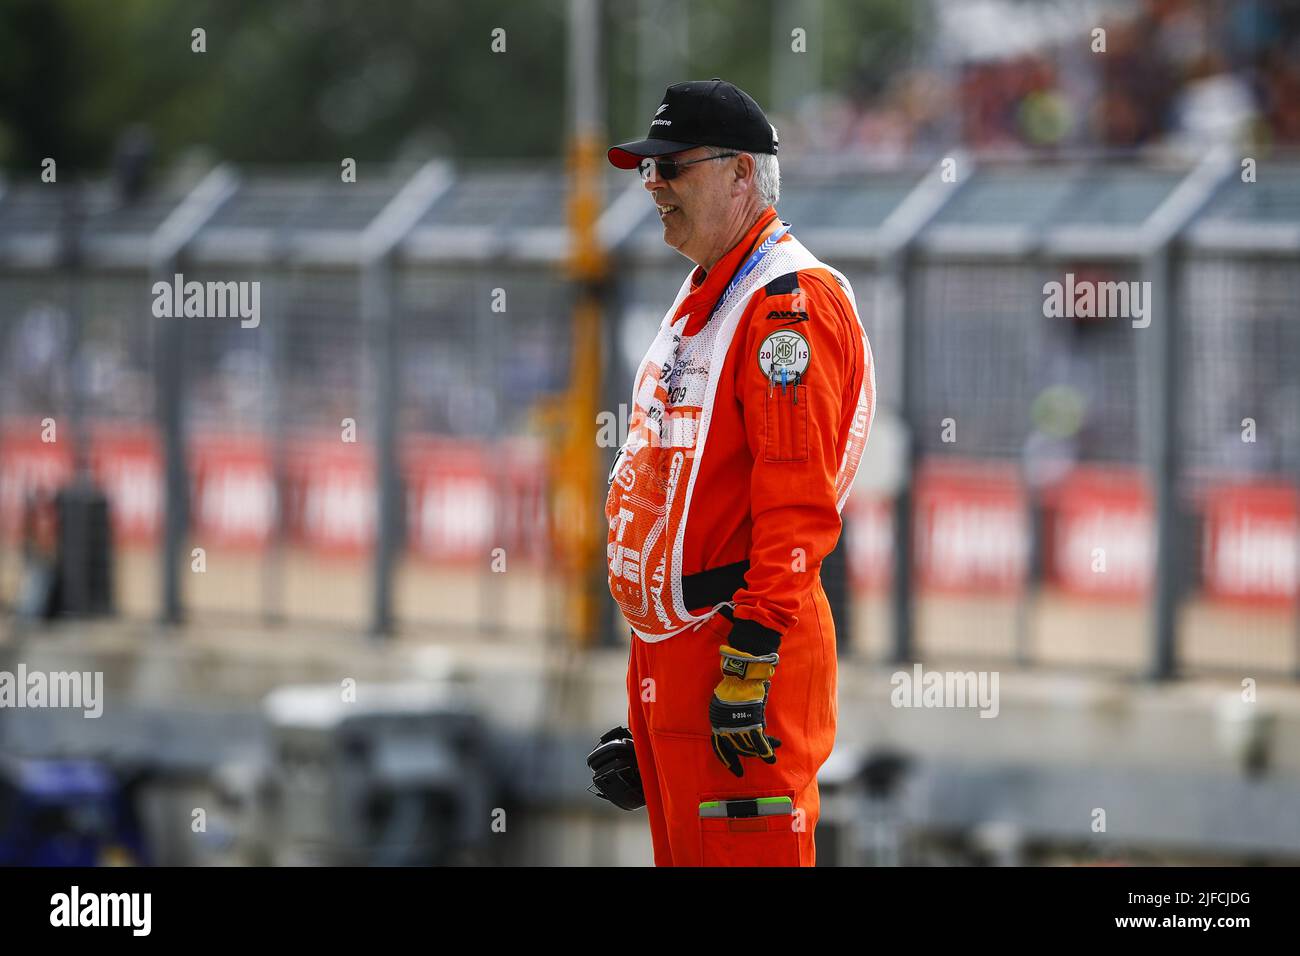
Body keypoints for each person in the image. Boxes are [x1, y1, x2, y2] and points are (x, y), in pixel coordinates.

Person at [603, 79, 876, 866]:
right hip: (677, 657)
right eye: (647, 170)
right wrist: (653, 703)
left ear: (739, 174)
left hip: (737, 653)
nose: (653, 185)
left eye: (672, 167)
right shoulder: (705, 299)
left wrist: (746, 664)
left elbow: (796, 509)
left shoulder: (785, 307)